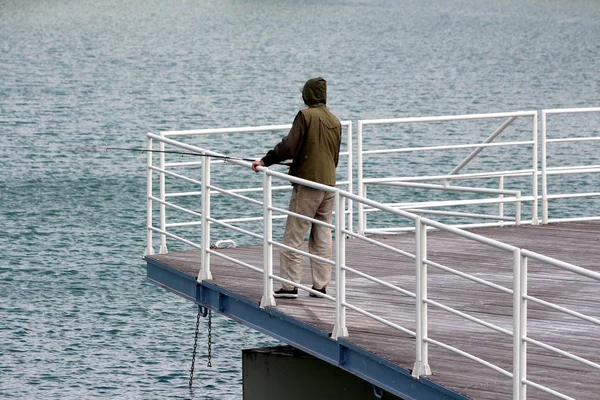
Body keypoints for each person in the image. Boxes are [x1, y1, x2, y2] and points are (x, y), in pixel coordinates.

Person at [251, 77, 342, 299]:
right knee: (321, 236)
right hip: (329, 183)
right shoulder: (335, 120)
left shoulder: (305, 116)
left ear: (308, 95)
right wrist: (302, 162)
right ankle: (320, 286)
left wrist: (265, 160)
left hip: (308, 185)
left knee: (294, 234)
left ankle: (290, 285)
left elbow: (289, 146)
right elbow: (332, 155)